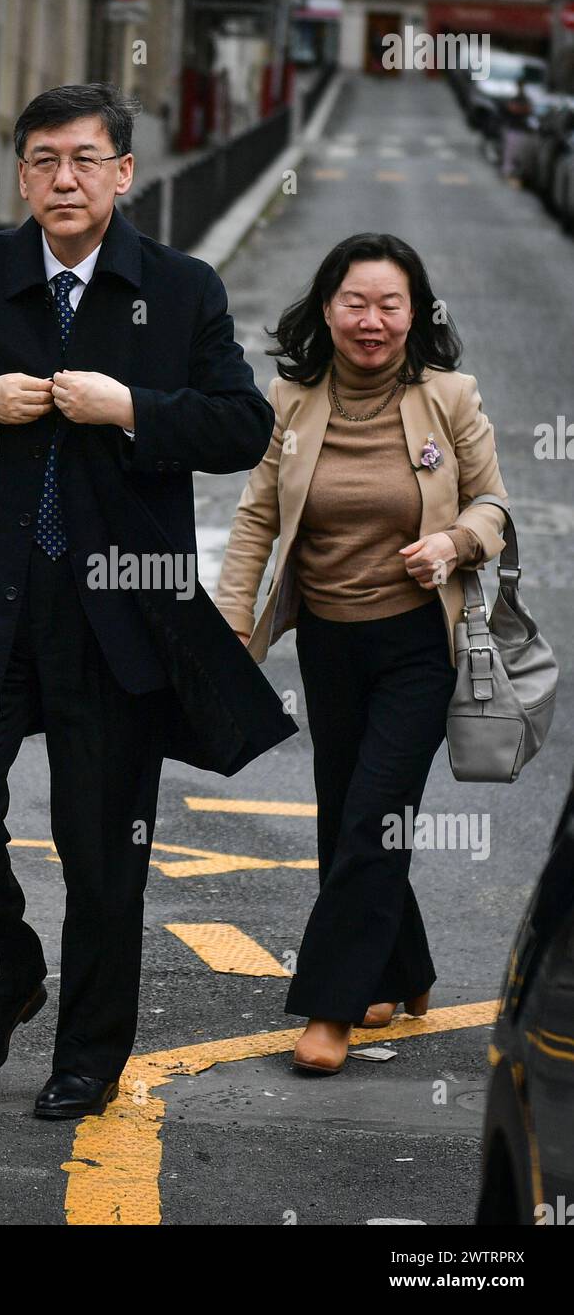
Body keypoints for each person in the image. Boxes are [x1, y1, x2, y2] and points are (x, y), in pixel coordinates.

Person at [0, 83, 296, 1120]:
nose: (64, 178)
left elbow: (241, 426)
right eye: (44, 160)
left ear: (121, 174)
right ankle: (1, 979)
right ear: (21, 175)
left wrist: (130, 409)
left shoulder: (180, 288)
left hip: (115, 612)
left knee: (105, 852)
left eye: (84, 159)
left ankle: (87, 1056)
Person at [215, 232, 509, 1075]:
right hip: (330, 643)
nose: (372, 321)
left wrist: (453, 542)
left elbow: (494, 505)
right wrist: (235, 622)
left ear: (416, 314)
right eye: (356, 303)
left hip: (420, 642)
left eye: (390, 304)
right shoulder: (293, 400)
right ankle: (401, 969)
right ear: (328, 309)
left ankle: (332, 1008)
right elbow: (257, 520)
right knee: (349, 813)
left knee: (375, 813)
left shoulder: (449, 398)